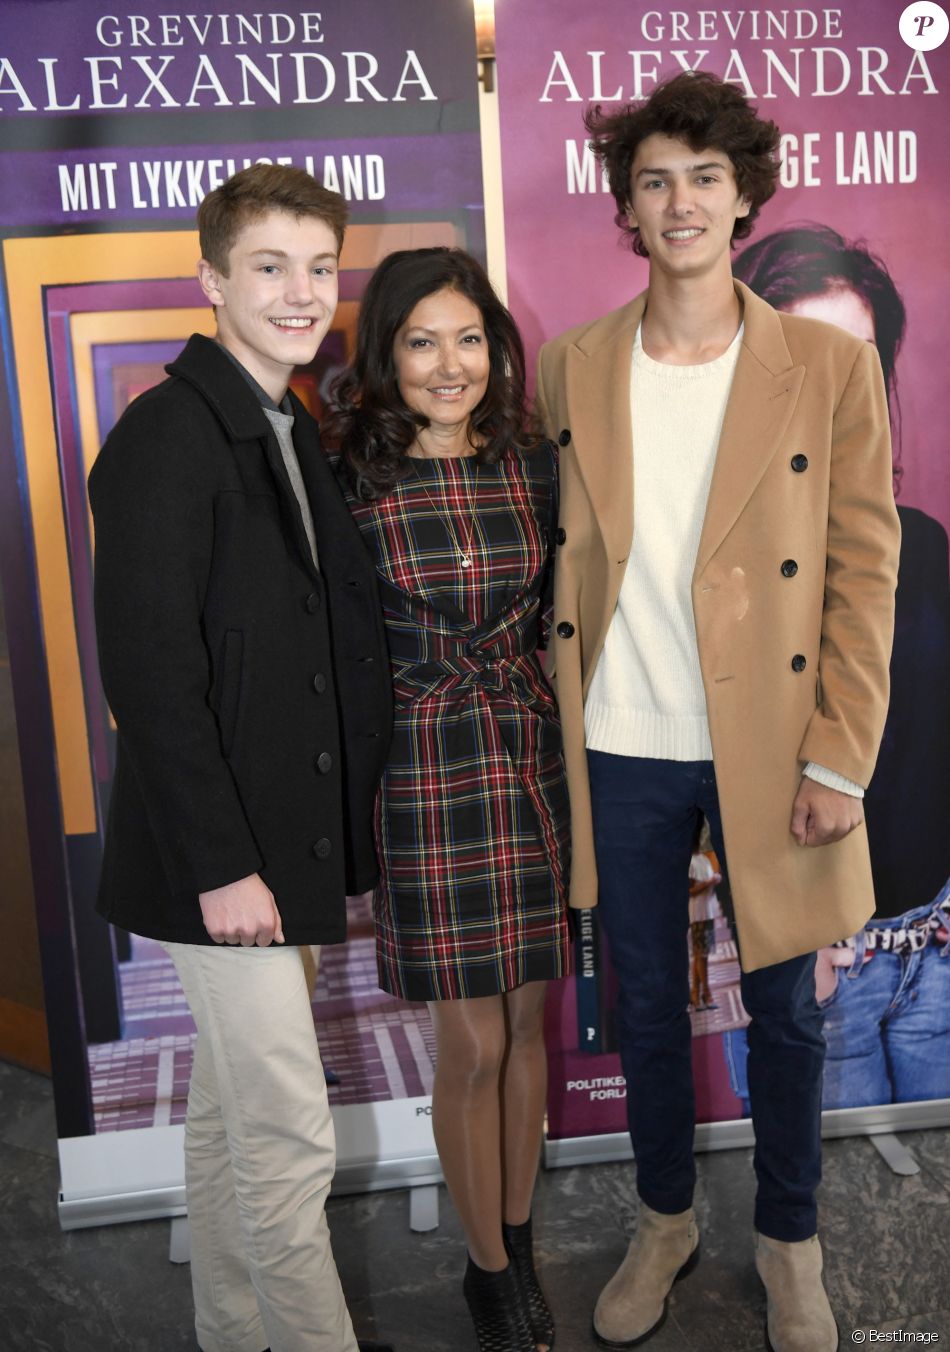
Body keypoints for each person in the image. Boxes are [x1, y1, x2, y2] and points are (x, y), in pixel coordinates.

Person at [536, 73, 900, 1352]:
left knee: (789, 1006)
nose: (679, 200)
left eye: (702, 175)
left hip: (776, 740)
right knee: (640, 998)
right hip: (622, 737)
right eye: (653, 180)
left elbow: (862, 565)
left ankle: (789, 1240)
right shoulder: (571, 364)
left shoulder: (825, 361)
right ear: (625, 207)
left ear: (743, 193)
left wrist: (839, 758)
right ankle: (661, 1217)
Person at [88, 163, 394, 1352]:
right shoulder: (168, 434)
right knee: (285, 1135)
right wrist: (224, 864)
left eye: (320, 267)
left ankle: (231, 1330)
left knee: (226, 1116)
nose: (301, 291)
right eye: (270, 265)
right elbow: (150, 678)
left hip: (279, 847)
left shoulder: (283, 421)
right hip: (223, 864)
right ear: (209, 277)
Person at [328, 247, 570, 1352]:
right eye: (420, 340)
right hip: (422, 764)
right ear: (383, 354)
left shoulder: (529, 461)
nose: (448, 363)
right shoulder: (348, 474)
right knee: (468, 1040)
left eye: (467, 337)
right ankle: (486, 1273)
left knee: (529, 1021)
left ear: (495, 348)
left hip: (526, 750)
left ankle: (514, 1235)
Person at [730, 224, 950, 1109]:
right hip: (816, 974)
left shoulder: (924, 547)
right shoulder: (722, 564)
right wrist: (793, 933)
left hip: (934, 963)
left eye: (857, 357)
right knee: (828, 1236)